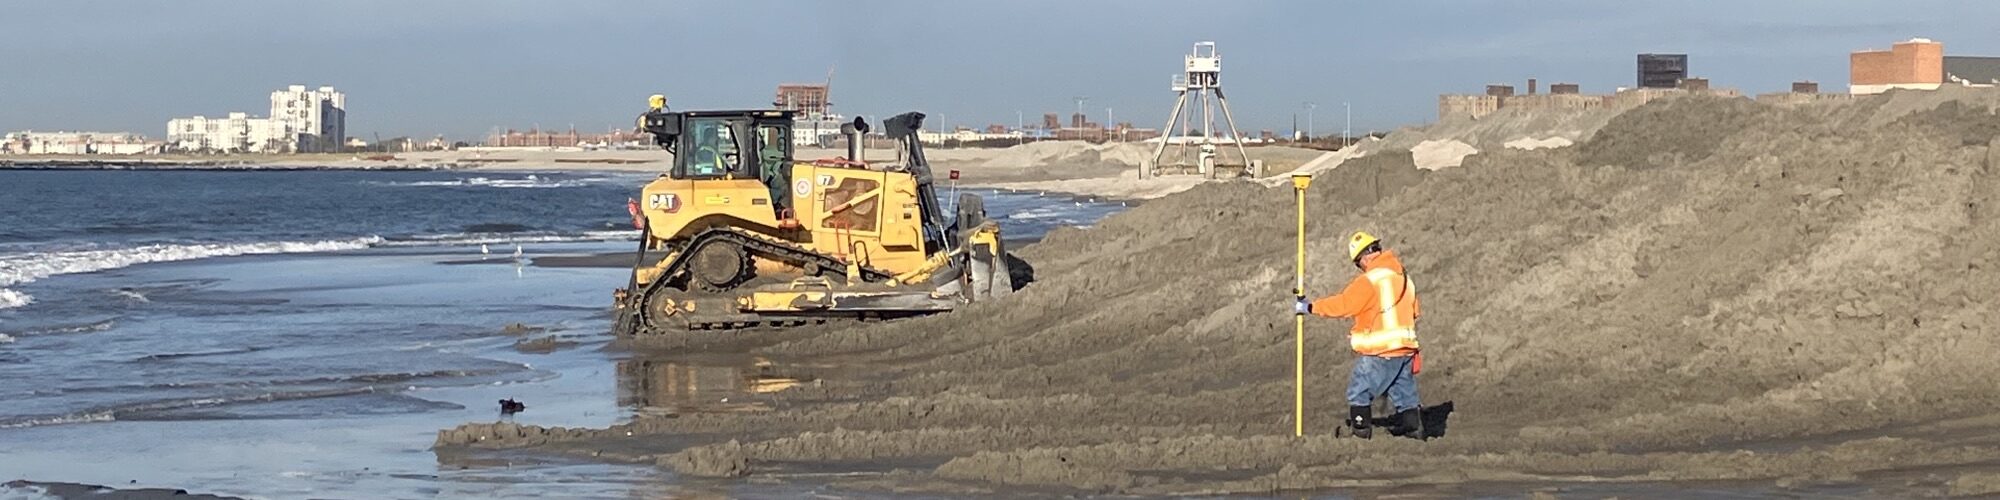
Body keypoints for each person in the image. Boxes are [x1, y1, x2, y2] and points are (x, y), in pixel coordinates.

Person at [1295, 231, 1423, 439]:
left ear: (1363, 258)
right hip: (1406, 349)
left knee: (1359, 389)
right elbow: (1415, 312)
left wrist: (1310, 307)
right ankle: (1413, 428)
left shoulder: (1370, 280)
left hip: (1382, 350)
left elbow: (1344, 304)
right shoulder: (1405, 279)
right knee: (1402, 389)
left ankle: (1360, 431)